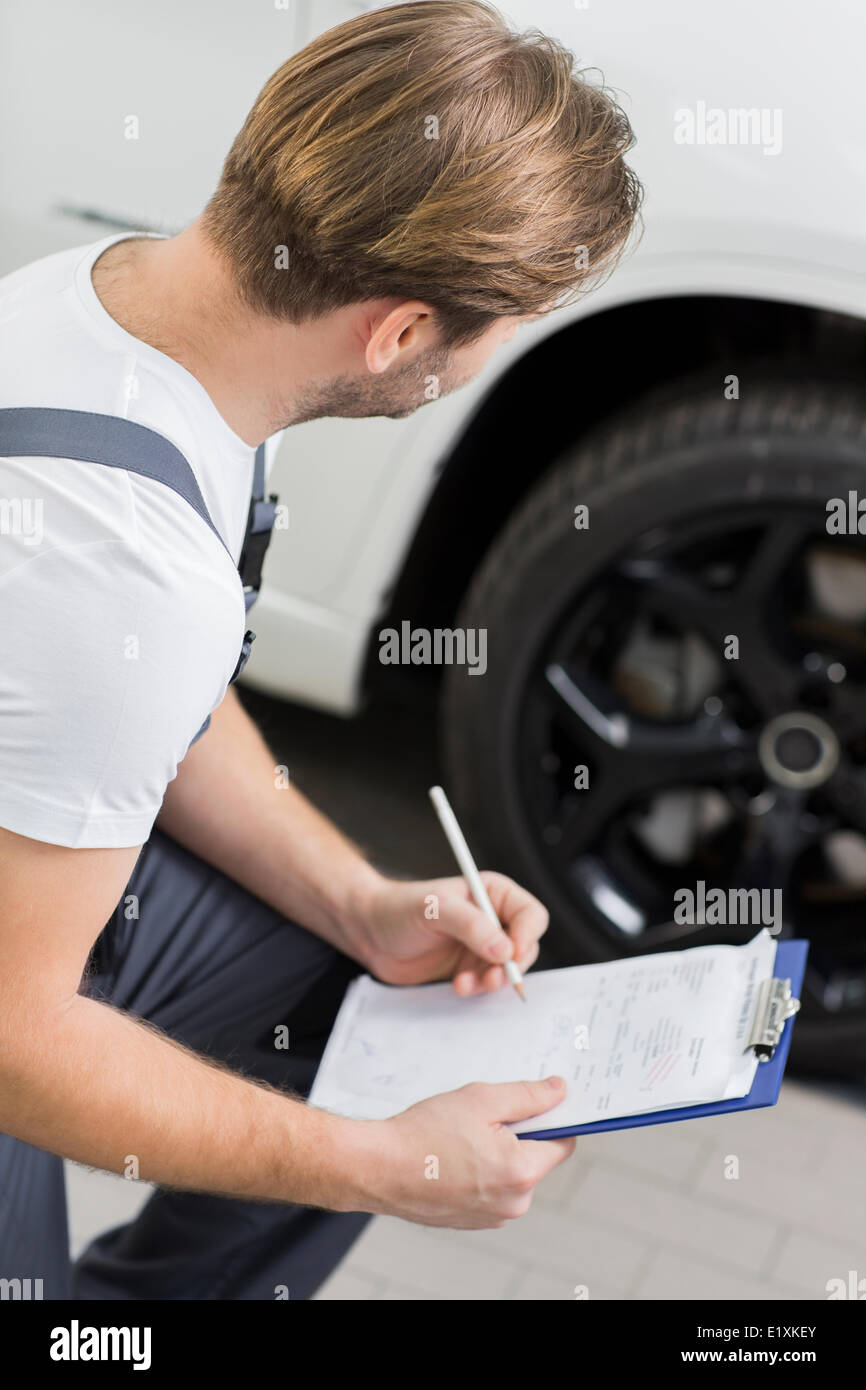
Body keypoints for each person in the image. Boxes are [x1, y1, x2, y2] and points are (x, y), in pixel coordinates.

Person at [0, 0, 640, 1299]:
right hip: (14, 985)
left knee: (363, 1012)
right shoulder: (105, 557)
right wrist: (388, 1165)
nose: (503, 345)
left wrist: (361, 904)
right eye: (508, 317)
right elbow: (17, 1039)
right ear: (400, 332)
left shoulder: (138, 306)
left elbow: (152, 695)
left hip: (35, 859)